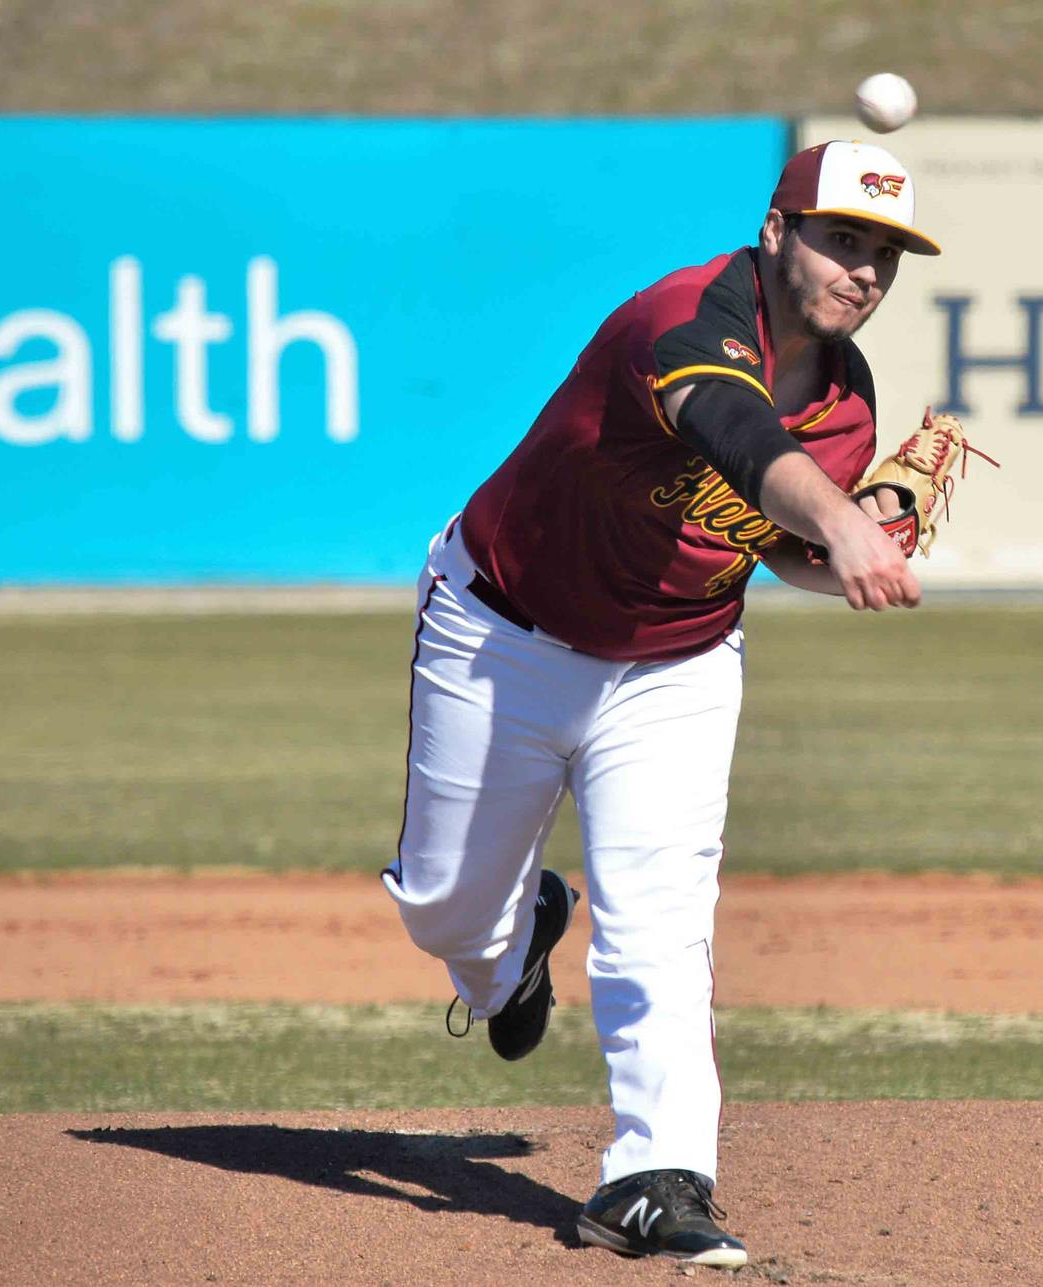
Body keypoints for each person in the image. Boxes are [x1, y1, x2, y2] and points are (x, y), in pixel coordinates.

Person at [379, 139, 940, 1268]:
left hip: (678, 664)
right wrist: (839, 520)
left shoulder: (846, 402)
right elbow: (732, 433)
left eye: (884, 255)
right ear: (776, 231)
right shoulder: (679, 321)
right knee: (442, 909)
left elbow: (782, 552)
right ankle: (510, 944)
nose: (862, 272)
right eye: (841, 239)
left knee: (659, 926)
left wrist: (863, 543)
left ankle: (652, 1175)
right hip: (503, 631)